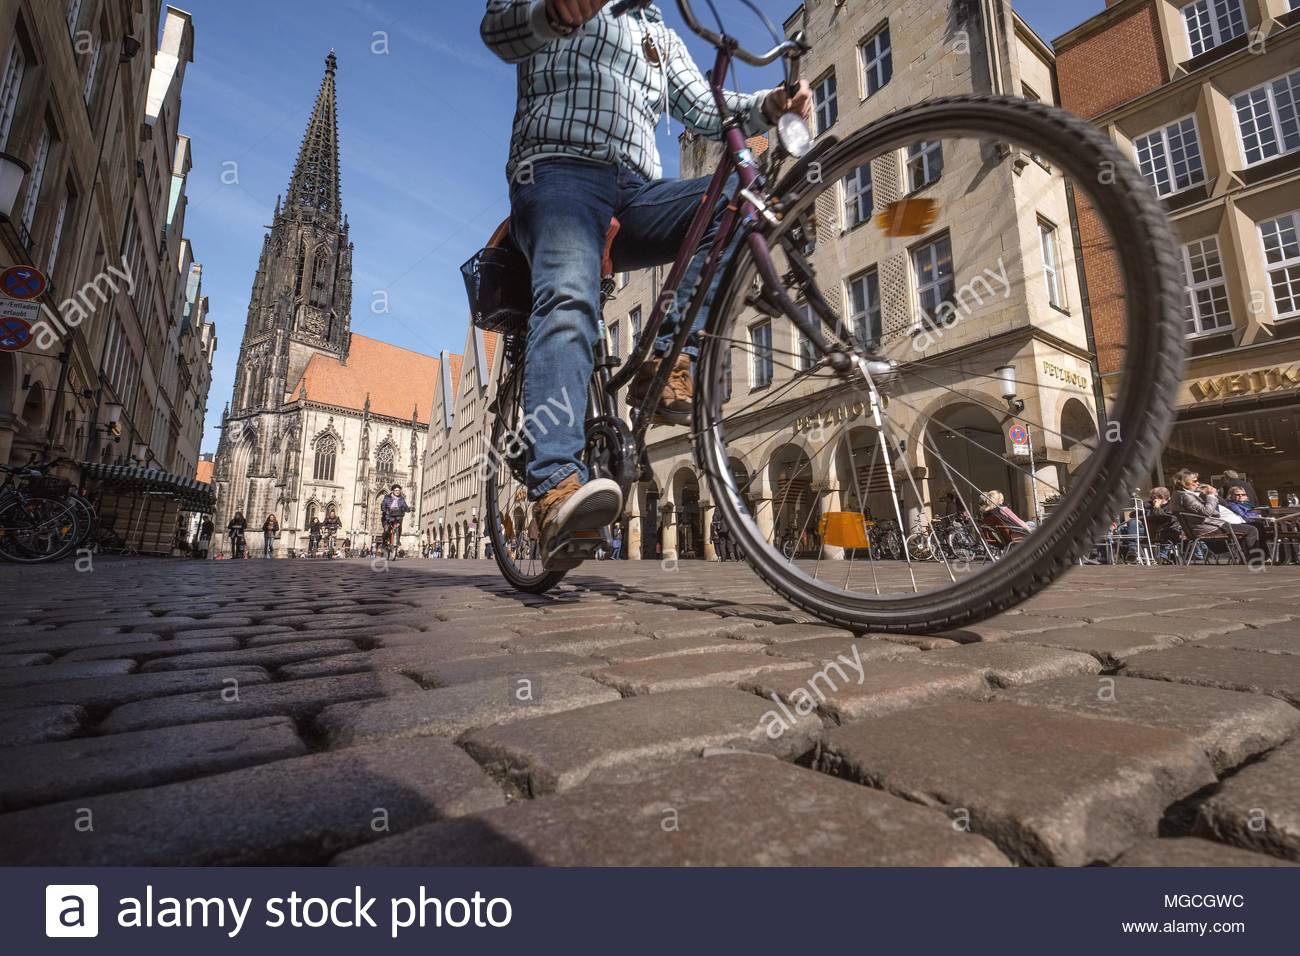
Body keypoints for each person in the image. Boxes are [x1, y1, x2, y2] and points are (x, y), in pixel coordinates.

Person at [481, 0, 811, 567]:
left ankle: (667, 358)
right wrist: (555, 13)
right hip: (557, 169)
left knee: (739, 199)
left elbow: (706, 106)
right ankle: (556, 483)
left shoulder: (654, 27)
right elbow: (501, 28)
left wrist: (769, 104)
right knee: (568, 297)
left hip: (635, 191)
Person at [1172, 469, 1263, 563]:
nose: (1197, 483)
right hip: (1209, 528)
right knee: (1252, 530)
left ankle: (1248, 559)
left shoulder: (1179, 495)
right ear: (1184, 482)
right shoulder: (1186, 496)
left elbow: (1208, 512)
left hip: (1203, 527)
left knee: (1254, 526)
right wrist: (1211, 496)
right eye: (1194, 481)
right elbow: (1206, 511)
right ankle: (1255, 562)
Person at [381, 485, 412, 554]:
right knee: (386, 529)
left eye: (399, 490)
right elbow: (383, 506)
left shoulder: (402, 499)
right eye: (396, 490)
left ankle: (398, 539)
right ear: (392, 491)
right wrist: (384, 510)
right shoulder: (387, 498)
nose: (398, 492)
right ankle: (384, 541)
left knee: (399, 526)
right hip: (387, 516)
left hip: (397, 516)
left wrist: (409, 509)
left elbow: (405, 506)